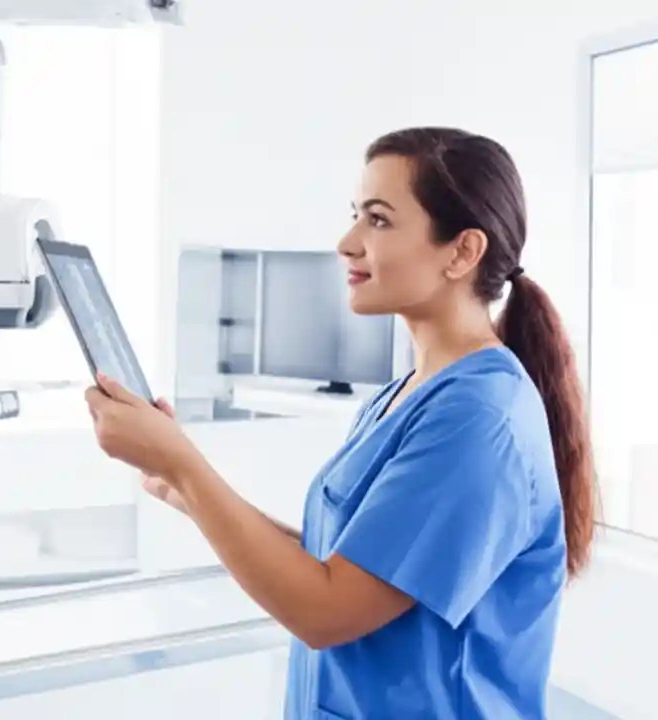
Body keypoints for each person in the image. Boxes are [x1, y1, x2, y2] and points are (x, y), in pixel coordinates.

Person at [83, 127, 597, 719]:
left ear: (461, 252)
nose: (347, 243)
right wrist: (181, 485)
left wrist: (184, 465)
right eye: (356, 216)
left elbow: (327, 611)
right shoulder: (406, 395)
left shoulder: (478, 421)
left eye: (378, 220)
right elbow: (338, 565)